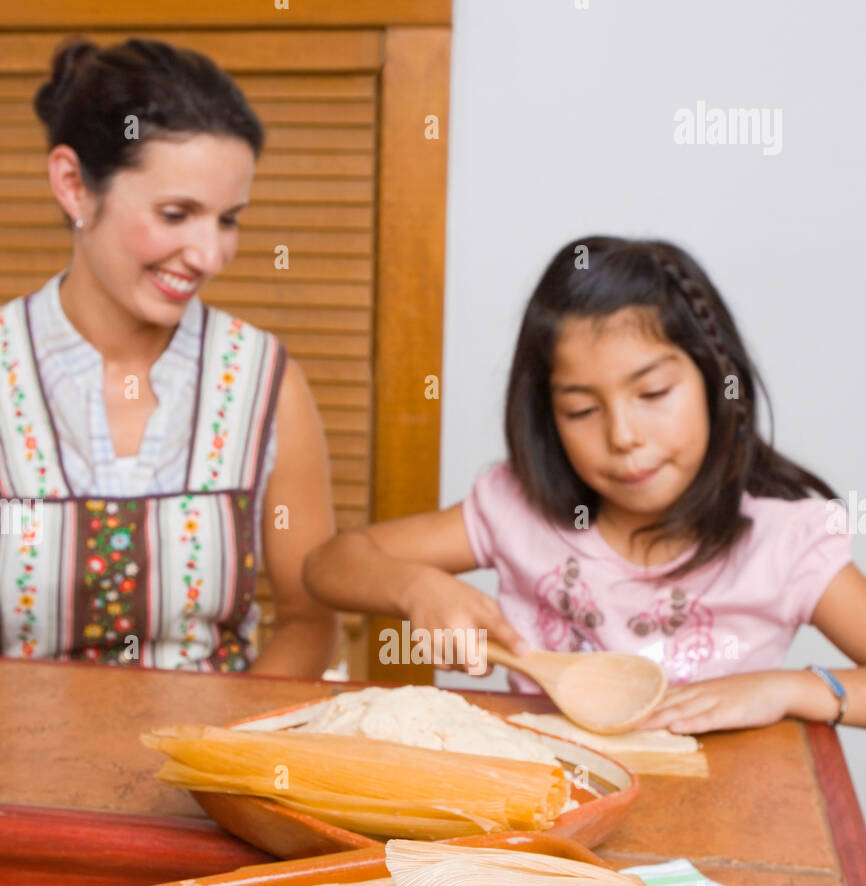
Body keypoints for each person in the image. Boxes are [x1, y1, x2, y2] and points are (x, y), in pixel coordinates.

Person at [304, 236, 866, 733]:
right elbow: (328, 565)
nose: (622, 435)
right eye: (580, 410)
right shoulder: (517, 512)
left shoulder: (783, 544)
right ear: (547, 416)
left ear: (717, 384)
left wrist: (788, 689)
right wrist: (415, 587)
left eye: (652, 395)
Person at [0, 37, 337, 674]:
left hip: (206, 766)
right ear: (73, 185)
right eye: (176, 214)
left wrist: (219, 755)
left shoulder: (265, 382)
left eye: (228, 219)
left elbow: (308, 620)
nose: (209, 256)